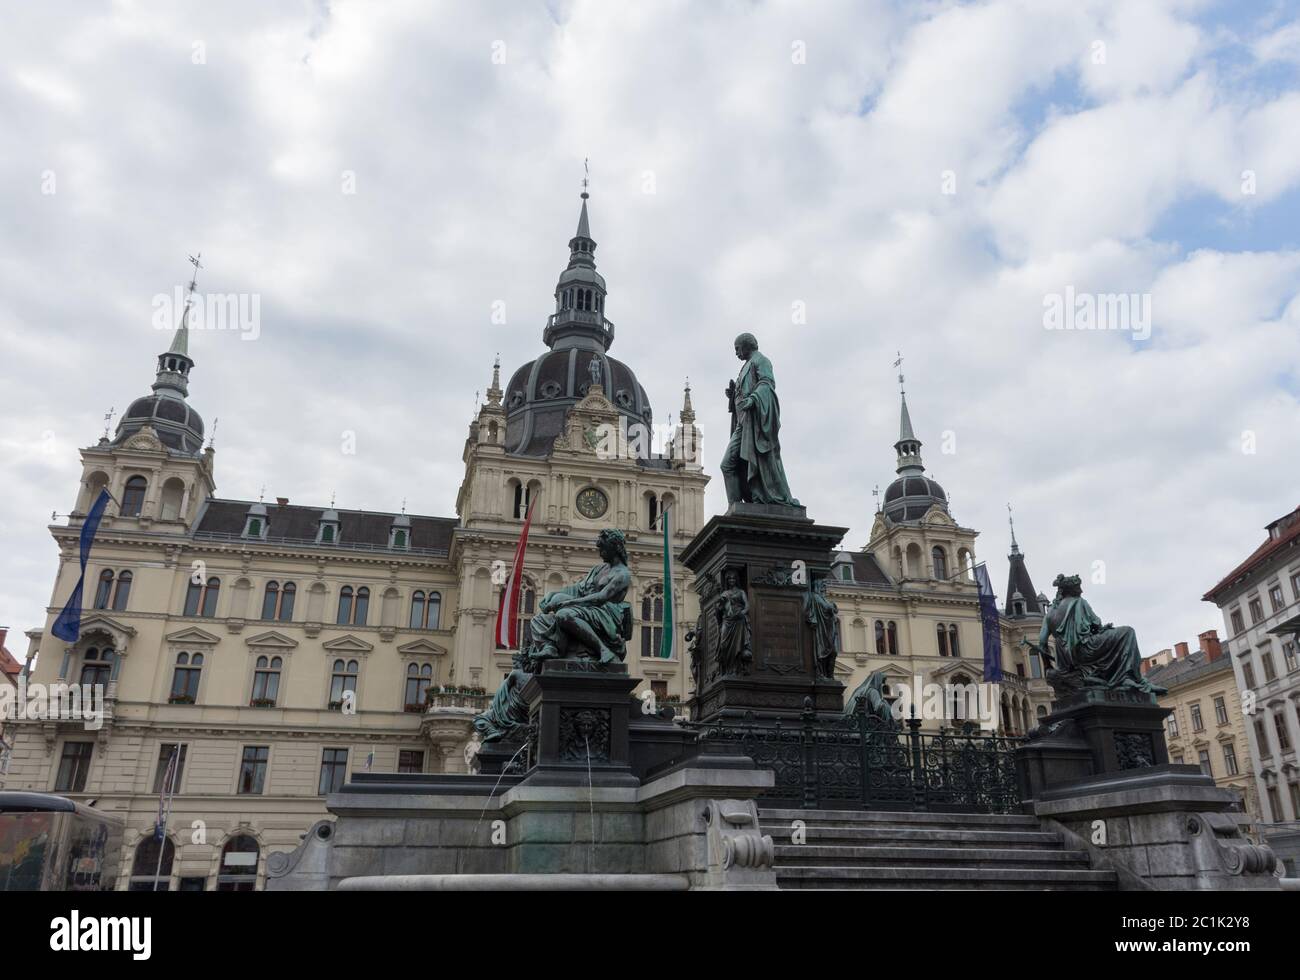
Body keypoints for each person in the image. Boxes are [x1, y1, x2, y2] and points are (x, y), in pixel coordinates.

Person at [1033, 574, 1166, 697]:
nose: (1081, 591)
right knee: (1127, 633)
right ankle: (1131, 678)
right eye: (1078, 588)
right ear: (1071, 590)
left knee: (1120, 636)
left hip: (1068, 659)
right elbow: (1096, 625)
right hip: (1087, 649)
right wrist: (1104, 629)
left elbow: (1042, 642)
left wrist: (1048, 666)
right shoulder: (1079, 602)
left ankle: (1125, 679)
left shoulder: (1050, 613)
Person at [720, 333, 799, 507]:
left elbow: (767, 383)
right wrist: (732, 397)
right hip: (743, 423)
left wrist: (754, 398)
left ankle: (746, 503)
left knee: (732, 463)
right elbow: (743, 394)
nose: (736, 353)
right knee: (728, 465)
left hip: (752, 422)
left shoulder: (761, 360)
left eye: (737, 349)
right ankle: (734, 508)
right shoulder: (745, 367)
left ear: (747, 345)